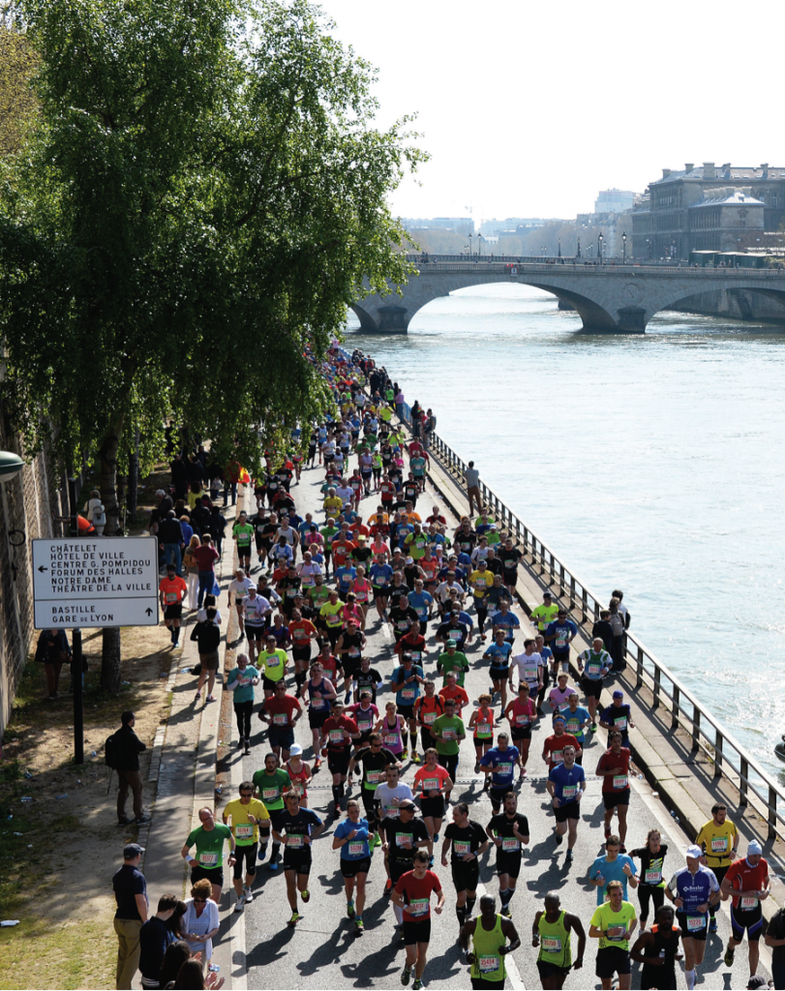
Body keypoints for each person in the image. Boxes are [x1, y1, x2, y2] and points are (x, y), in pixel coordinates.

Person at [665, 845, 720, 991]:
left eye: (692, 858)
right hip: (685, 916)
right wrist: (674, 900)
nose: (688, 861)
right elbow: (667, 889)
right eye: (687, 857)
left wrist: (707, 904)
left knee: (698, 959)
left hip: (701, 918)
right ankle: (690, 988)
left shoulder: (708, 874)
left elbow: (719, 894)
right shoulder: (679, 874)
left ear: (699, 859)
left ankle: (692, 971)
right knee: (689, 957)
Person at [392, 849, 445, 991]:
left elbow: (441, 895)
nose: (420, 870)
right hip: (409, 921)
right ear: (413, 864)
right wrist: (404, 907)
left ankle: (418, 980)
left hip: (425, 920)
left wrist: (439, 906)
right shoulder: (405, 878)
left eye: (424, 867)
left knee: (422, 955)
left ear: (428, 864)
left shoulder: (432, 877)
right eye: (417, 867)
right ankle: (408, 967)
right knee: (412, 956)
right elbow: (394, 897)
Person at [271, 789, 325, 927]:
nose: (292, 807)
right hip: (290, 853)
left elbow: (321, 825)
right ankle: (295, 913)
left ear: (299, 802)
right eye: (290, 804)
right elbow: (274, 831)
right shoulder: (283, 816)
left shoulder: (307, 814)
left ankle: (305, 890)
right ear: (286, 803)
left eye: (295, 803)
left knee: (300, 887)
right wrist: (281, 838)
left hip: (304, 853)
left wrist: (311, 837)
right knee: (290, 883)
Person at [721, 840, 770, 975]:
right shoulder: (737, 866)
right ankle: (730, 948)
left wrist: (766, 892)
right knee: (737, 940)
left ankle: (752, 978)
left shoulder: (763, 864)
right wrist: (742, 894)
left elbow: (767, 881)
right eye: (755, 856)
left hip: (754, 910)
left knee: (754, 944)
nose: (758, 858)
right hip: (739, 910)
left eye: (759, 855)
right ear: (749, 855)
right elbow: (724, 886)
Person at [221, 781, 269, 912]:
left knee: (251, 869)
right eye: (243, 795)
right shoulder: (232, 805)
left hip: (251, 842)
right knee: (237, 872)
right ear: (239, 793)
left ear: (253, 794)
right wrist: (227, 827)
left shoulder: (258, 804)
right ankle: (240, 897)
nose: (246, 798)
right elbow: (224, 814)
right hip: (236, 843)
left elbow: (268, 822)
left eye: (249, 795)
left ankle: (247, 888)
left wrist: (256, 821)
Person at [441, 802, 489, 929]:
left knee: (471, 893)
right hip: (457, 866)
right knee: (461, 896)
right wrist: (443, 855)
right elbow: (447, 840)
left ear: (464, 815)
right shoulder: (451, 828)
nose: (453, 817)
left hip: (471, 867)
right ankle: (462, 926)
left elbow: (485, 844)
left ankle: (469, 910)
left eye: (456, 815)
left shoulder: (475, 827)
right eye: (453, 814)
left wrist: (475, 853)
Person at [459, 893, 521, 990]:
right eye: (485, 908)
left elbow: (516, 940)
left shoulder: (505, 923)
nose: (488, 911)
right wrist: (467, 952)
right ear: (480, 908)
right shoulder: (472, 924)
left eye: (491, 907)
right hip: (478, 973)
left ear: (495, 906)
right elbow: (463, 936)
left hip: (497, 975)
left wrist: (508, 948)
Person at [695, 802, 738, 932]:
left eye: (725, 814)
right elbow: (698, 842)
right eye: (720, 815)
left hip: (726, 864)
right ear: (714, 815)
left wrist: (734, 849)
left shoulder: (730, 825)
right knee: (712, 894)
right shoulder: (706, 827)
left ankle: (717, 900)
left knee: (725, 895)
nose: (723, 817)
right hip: (711, 865)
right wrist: (701, 856)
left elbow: (736, 835)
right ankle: (712, 919)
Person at [589, 879, 638, 991]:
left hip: (623, 949)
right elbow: (591, 932)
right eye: (614, 895)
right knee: (606, 987)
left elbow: (634, 920)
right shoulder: (601, 910)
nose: (618, 898)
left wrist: (630, 932)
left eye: (620, 894)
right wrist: (607, 933)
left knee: (625, 988)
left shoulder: (629, 907)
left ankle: (617, 989)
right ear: (608, 896)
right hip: (606, 951)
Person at [532, 891, 586, 990]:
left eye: (554, 908)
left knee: (557, 988)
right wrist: (535, 936)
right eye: (548, 908)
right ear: (544, 905)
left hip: (563, 961)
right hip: (545, 959)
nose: (551, 911)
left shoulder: (569, 918)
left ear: (559, 905)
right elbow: (535, 926)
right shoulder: (540, 915)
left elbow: (582, 936)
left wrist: (579, 958)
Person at [181, 807, 236, 904]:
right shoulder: (196, 833)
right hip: (200, 869)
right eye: (204, 820)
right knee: (199, 900)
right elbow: (184, 851)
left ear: (213, 816)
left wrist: (232, 854)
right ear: (200, 820)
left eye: (209, 818)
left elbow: (232, 839)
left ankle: (212, 918)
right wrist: (190, 860)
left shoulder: (223, 829)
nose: (207, 822)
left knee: (214, 900)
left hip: (216, 869)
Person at [332, 800, 372, 934]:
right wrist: (347, 838)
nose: (355, 815)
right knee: (349, 887)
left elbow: (365, 835)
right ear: (347, 813)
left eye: (357, 811)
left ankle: (359, 918)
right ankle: (349, 902)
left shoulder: (364, 822)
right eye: (352, 812)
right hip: (348, 860)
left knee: (361, 887)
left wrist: (369, 836)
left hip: (363, 858)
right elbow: (335, 845)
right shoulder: (343, 826)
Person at [113, 842, 148, 991]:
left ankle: (120, 986)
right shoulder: (137, 876)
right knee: (134, 958)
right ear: (138, 856)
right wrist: (146, 922)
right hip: (133, 922)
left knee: (123, 956)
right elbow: (140, 901)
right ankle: (123, 988)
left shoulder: (118, 874)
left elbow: (117, 897)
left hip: (119, 921)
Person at [630, 903, 682, 991]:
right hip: (651, 977)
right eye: (663, 918)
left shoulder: (677, 931)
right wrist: (651, 960)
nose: (667, 921)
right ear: (658, 919)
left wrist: (677, 952)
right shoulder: (649, 935)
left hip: (669, 976)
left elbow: (673, 947)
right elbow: (633, 953)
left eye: (669, 918)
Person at [546, 744, 585, 861]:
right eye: (567, 754)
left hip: (573, 802)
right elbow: (548, 785)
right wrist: (553, 797)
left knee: (573, 829)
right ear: (563, 756)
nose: (569, 757)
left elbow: (583, 784)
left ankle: (569, 850)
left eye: (571, 754)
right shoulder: (556, 770)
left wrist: (581, 792)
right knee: (563, 830)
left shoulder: (579, 769)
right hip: (560, 803)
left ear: (575, 755)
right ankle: (558, 831)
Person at [628, 830, 669, 932]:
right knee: (645, 912)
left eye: (657, 839)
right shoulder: (644, 851)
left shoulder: (663, 849)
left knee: (659, 912)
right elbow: (630, 854)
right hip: (644, 886)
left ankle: (653, 933)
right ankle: (642, 931)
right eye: (653, 839)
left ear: (660, 840)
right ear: (649, 841)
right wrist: (632, 872)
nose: (655, 842)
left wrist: (659, 875)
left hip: (657, 886)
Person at [596, 730, 632, 848]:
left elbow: (627, 763)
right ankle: (607, 825)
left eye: (619, 741)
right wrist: (611, 772)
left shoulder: (626, 752)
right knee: (609, 813)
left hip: (623, 789)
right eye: (615, 741)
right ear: (610, 742)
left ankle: (622, 843)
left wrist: (631, 770)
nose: (617, 743)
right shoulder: (606, 755)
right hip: (609, 790)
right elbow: (598, 772)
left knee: (622, 816)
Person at [139, 893, 178, 991]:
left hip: (145, 976)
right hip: (157, 979)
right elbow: (161, 955)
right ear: (170, 910)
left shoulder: (146, 925)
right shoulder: (161, 930)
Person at [259, 679, 302, 762]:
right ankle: (277, 772)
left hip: (287, 730)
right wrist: (266, 720)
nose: (280, 691)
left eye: (282, 689)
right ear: (275, 690)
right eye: (277, 689)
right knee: (276, 755)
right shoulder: (270, 701)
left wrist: (295, 719)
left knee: (286, 757)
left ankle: (284, 773)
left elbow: (300, 710)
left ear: (285, 689)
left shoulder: (291, 699)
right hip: (274, 730)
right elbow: (260, 714)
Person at [225, 653, 259, 755]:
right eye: (241, 662)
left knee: (247, 719)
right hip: (238, 700)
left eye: (244, 661)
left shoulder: (251, 669)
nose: (243, 663)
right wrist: (237, 680)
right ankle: (241, 737)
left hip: (249, 698)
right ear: (237, 662)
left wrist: (256, 680)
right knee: (240, 719)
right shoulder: (233, 673)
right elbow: (229, 688)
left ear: (247, 662)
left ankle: (247, 742)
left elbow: (258, 674)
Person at [182, 878, 220, 970]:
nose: (199, 903)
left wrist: (207, 936)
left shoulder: (212, 906)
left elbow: (216, 927)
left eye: (203, 901)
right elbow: (176, 928)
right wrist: (187, 936)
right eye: (196, 900)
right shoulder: (185, 905)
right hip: (185, 950)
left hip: (202, 950)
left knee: (198, 978)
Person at [589, 835, 638, 905]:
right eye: (610, 851)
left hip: (622, 903)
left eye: (616, 850)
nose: (613, 854)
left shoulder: (626, 860)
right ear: (606, 848)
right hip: (604, 904)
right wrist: (597, 882)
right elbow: (591, 879)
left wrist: (629, 874)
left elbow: (634, 885)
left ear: (620, 848)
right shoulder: (598, 862)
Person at [480, 733, 521, 813]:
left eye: (506, 743)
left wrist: (521, 765)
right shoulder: (491, 753)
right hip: (496, 787)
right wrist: (493, 770)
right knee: (496, 810)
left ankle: (505, 825)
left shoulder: (513, 750)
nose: (504, 745)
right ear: (498, 742)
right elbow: (482, 767)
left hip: (508, 786)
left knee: (508, 810)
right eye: (501, 743)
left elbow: (517, 755)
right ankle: (495, 822)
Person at [576, 637, 612, 728]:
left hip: (598, 680)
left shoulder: (605, 654)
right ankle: (593, 722)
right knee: (591, 701)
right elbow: (579, 657)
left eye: (600, 646)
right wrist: (580, 665)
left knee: (596, 702)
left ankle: (593, 711)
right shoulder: (587, 652)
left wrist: (606, 669)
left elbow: (610, 663)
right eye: (596, 646)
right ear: (593, 645)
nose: (598, 648)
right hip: (587, 679)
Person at [504, 683, 537, 773]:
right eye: (522, 692)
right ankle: (520, 765)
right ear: (519, 692)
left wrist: (534, 717)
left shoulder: (531, 702)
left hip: (527, 727)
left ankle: (523, 769)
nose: (524, 694)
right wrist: (510, 721)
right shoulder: (514, 702)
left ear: (528, 692)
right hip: (516, 728)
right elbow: (506, 712)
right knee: (517, 750)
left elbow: (535, 713)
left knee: (525, 749)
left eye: (526, 692)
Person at [190, 607, 221, 703]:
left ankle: (198, 692)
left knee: (203, 671)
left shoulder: (199, 625)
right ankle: (209, 696)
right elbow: (217, 642)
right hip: (212, 652)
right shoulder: (215, 627)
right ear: (215, 615)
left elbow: (192, 637)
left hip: (202, 652)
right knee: (211, 674)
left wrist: (199, 640)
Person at [431, 697, 466, 782]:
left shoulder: (459, 721)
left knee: (451, 772)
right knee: (441, 771)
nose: (449, 712)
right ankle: (441, 791)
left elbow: (463, 735)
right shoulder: (438, 720)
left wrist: (457, 737)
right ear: (444, 709)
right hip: (441, 750)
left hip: (453, 751)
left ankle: (449, 792)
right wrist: (439, 738)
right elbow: (432, 733)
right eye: (447, 710)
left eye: (451, 710)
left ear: (455, 709)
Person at [35, 627, 71, 699]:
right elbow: (40, 644)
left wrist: (69, 653)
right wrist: (48, 644)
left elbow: (65, 643)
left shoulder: (61, 630)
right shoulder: (45, 632)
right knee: (51, 675)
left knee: (57, 674)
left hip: (58, 655)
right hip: (48, 655)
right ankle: (51, 693)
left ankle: (55, 691)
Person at [159, 565, 188, 647]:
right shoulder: (164, 581)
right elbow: (161, 593)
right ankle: (173, 632)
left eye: (171, 571)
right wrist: (162, 604)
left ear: (174, 572)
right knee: (167, 623)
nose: (170, 573)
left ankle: (176, 640)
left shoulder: (180, 581)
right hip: (168, 605)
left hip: (177, 604)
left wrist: (181, 599)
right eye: (168, 571)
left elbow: (186, 591)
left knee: (176, 621)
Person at [765, 899, 785, 991]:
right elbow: (768, 940)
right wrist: (783, 942)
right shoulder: (776, 918)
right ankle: (772, 988)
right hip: (780, 960)